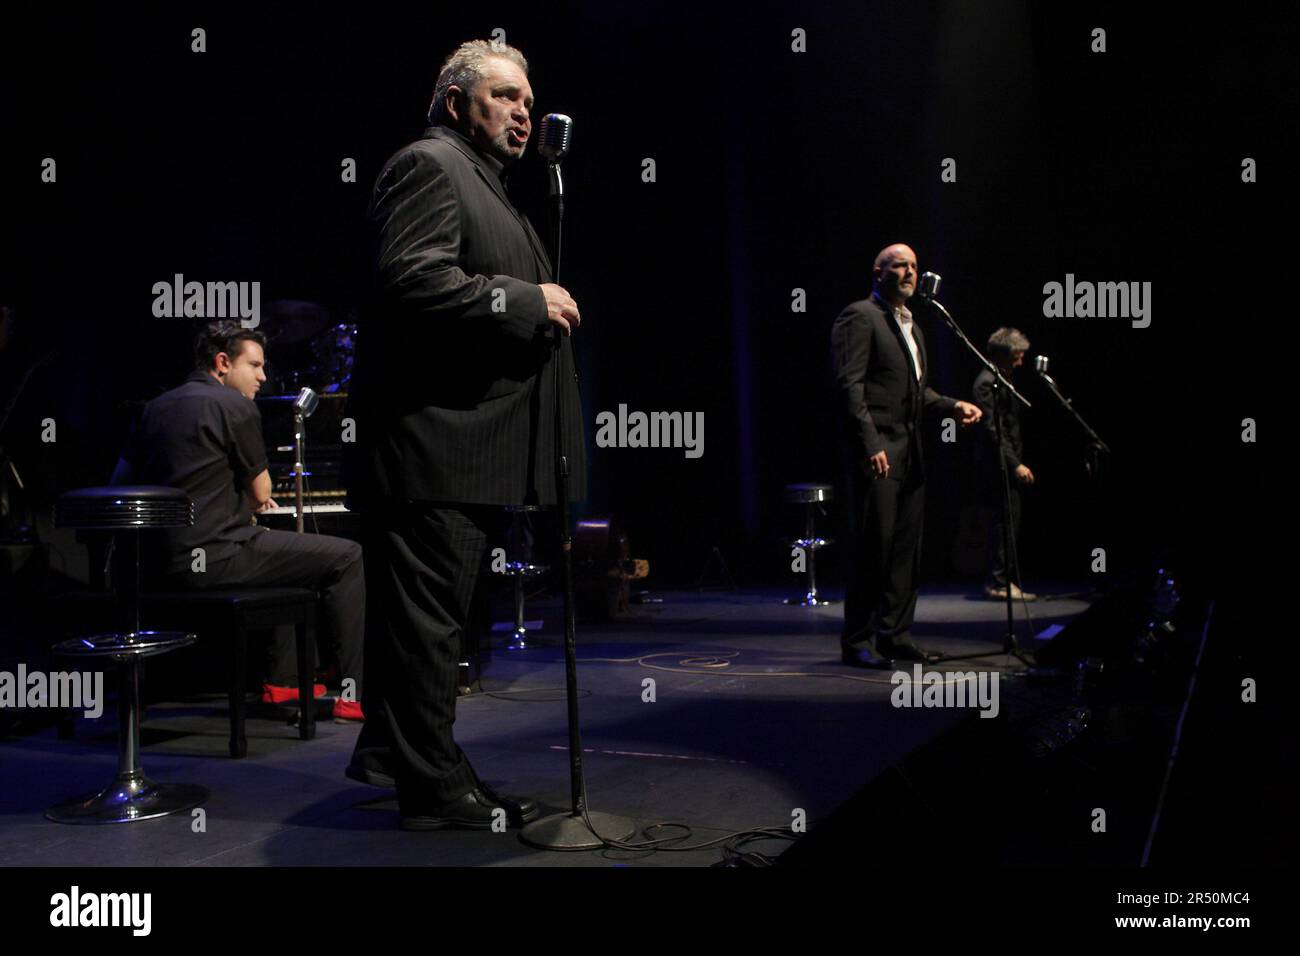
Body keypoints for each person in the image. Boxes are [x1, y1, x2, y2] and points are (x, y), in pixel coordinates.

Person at [344, 39, 586, 830]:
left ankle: (414, 763)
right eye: (505, 97)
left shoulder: (494, 186)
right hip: (432, 451)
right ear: (457, 104)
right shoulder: (429, 165)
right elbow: (411, 280)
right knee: (427, 628)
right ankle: (429, 787)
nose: (524, 112)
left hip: (466, 454)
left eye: (527, 98)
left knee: (433, 626)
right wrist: (526, 300)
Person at [111, 321, 365, 719]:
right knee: (347, 555)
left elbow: (120, 484)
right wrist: (248, 503)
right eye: (256, 366)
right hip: (218, 555)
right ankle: (355, 693)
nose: (263, 377)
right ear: (223, 362)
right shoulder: (235, 406)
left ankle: (283, 683)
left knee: (290, 562)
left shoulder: (153, 408)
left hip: (157, 564)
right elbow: (262, 494)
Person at [830, 243, 982, 668]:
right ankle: (857, 640)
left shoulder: (913, 327)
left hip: (912, 453)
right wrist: (870, 444)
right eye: (900, 266)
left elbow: (916, 393)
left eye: (914, 266)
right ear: (878, 273)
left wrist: (952, 404)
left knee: (905, 552)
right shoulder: (860, 316)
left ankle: (895, 635)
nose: (910, 273)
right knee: (873, 549)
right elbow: (850, 387)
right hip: (879, 452)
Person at [973, 327, 1036, 601]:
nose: (1021, 362)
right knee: (1004, 522)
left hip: (1006, 460)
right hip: (996, 465)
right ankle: (998, 581)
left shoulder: (1001, 379)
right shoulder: (987, 382)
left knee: (1011, 521)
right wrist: (1014, 464)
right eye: (1017, 356)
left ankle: (1002, 579)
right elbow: (994, 430)